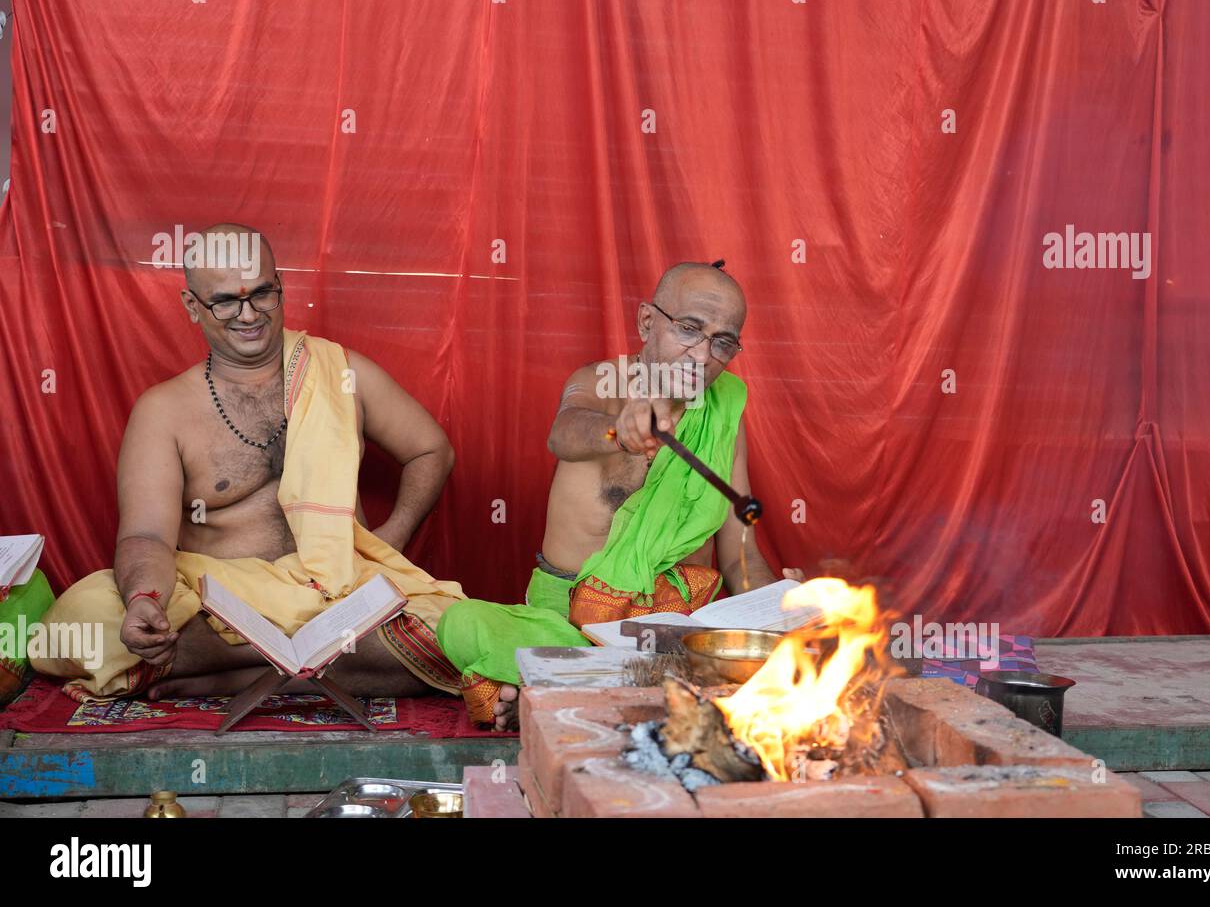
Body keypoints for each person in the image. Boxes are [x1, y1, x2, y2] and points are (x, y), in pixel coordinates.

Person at [30, 224, 468, 703]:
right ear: (192, 306)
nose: (249, 314)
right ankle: (306, 669)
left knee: (460, 634)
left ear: (280, 285)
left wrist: (394, 537)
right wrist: (143, 601)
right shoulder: (164, 410)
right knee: (88, 622)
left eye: (263, 293)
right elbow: (147, 536)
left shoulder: (339, 373)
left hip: (341, 596)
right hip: (223, 607)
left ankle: (238, 677)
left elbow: (432, 449)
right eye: (225, 302)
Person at [436, 261, 801, 729]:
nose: (702, 354)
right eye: (689, 329)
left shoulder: (724, 409)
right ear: (648, 321)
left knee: (771, 657)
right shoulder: (601, 382)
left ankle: (563, 685)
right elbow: (564, 431)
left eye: (722, 342)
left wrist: (781, 610)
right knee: (463, 624)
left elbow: (739, 557)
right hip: (565, 620)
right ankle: (626, 684)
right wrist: (617, 431)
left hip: (672, 628)